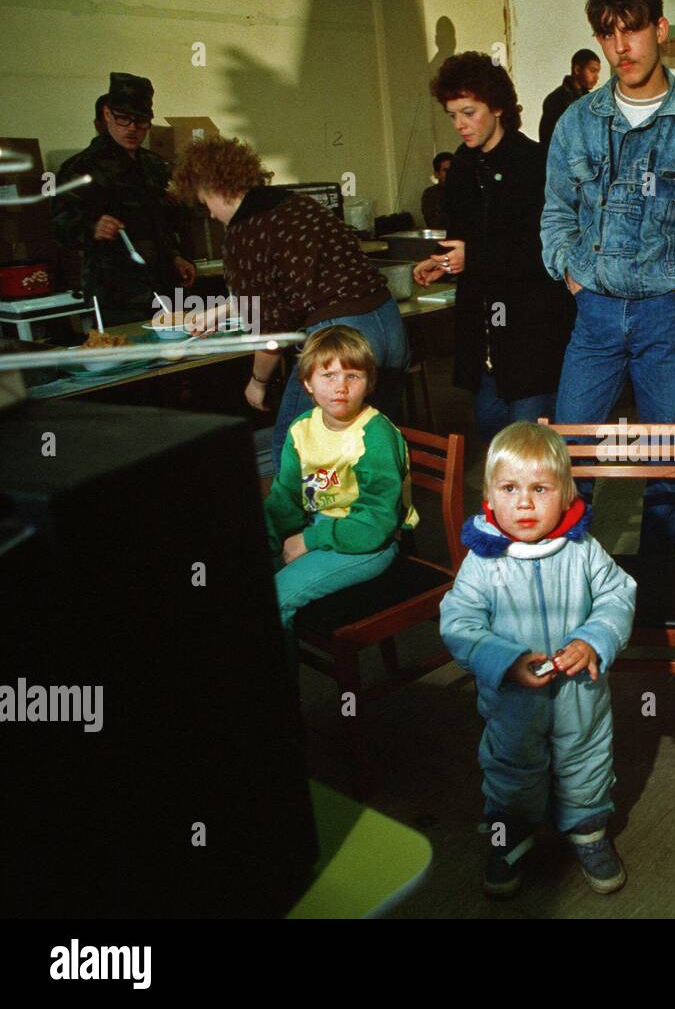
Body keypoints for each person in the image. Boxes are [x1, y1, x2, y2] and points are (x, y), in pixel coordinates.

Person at [541, 0, 675, 556]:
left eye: (631, 31)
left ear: (659, 30)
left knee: (667, 461)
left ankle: (656, 577)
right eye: (607, 36)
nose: (620, 48)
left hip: (667, 314)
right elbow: (556, 210)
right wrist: (568, 269)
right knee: (569, 457)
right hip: (595, 315)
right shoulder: (577, 123)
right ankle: (566, 571)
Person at [439, 421, 637, 897]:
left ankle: (588, 831)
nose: (524, 503)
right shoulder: (483, 560)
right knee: (510, 765)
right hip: (511, 698)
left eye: (540, 489)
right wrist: (504, 660)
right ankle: (510, 835)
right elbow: (458, 623)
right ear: (489, 493)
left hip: (579, 691)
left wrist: (593, 639)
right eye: (509, 488)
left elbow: (617, 595)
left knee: (585, 754)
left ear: (566, 494)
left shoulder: (582, 549)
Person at [170, 135, 410, 465]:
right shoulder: (292, 203)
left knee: (294, 448)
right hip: (388, 323)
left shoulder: (244, 231)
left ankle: (306, 517)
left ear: (215, 188)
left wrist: (257, 383)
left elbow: (270, 333)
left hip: (341, 337)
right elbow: (291, 282)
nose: (209, 214)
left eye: (204, 202)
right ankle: (371, 515)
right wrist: (223, 309)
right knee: (369, 445)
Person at [415, 52, 572, 445]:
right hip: (487, 337)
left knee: (529, 449)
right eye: (453, 115)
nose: (461, 125)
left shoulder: (536, 164)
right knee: (493, 441)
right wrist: (445, 263)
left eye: (469, 112)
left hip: (531, 336)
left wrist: (475, 257)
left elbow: (548, 253)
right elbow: (465, 241)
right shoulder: (462, 170)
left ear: (497, 107)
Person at [263, 326, 419, 638]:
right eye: (328, 375)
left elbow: (376, 523)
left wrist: (309, 540)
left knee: (274, 600)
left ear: (368, 383)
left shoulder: (375, 436)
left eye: (352, 376)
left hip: (370, 541)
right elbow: (286, 497)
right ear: (308, 381)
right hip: (322, 528)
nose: (340, 388)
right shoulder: (301, 429)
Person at [52, 72, 195, 324]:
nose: (132, 129)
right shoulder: (81, 168)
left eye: (140, 122)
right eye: (123, 119)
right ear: (107, 115)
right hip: (116, 292)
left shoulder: (155, 165)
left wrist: (176, 256)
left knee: (180, 352)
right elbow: (60, 225)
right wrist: (92, 227)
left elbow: (164, 223)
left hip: (164, 286)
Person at [538, 49, 602, 153]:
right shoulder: (556, 100)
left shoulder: (592, 102)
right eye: (592, 70)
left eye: (597, 72)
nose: (596, 77)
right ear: (577, 70)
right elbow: (548, 141)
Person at [419, 151, 455, 229]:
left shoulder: (465, 191)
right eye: (446, 171)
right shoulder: (431, 194)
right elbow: (434, 222)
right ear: (436, 174)